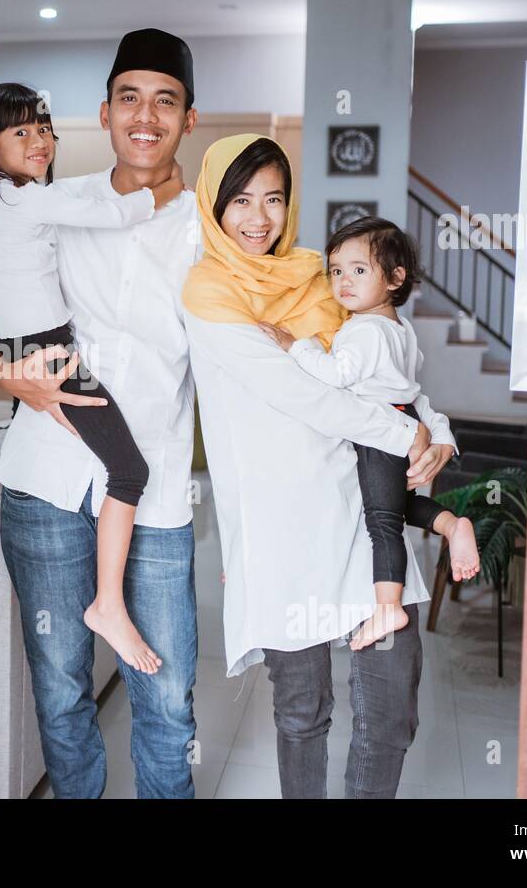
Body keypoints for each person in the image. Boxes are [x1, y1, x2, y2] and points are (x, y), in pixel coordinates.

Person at [0, 28, 201, 798]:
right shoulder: (54, 202)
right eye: (129, 97)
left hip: (153, 484)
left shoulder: (212, 226)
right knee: (61, 689)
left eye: (165, 101)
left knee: (166, 694)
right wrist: (8, 373)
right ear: (104, 113)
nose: (145, 116)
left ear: (188, 120)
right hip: (46, 475)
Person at [182, 133, 455, 798]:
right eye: (241, 200)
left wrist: (438, 432)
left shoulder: (320, 274)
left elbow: (386, 367)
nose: (259, 217)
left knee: (390, 711)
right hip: (283, 532)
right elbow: (304, 395)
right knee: (303, 712)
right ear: (213, 205)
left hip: (365, 514)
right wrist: (408, 434)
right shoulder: (208, 294)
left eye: (274, 198)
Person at [258, 216, 480, 651]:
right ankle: (451, 525)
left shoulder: (362, 331)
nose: (343, 281)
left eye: (359, 270)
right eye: (337, 270)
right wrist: (441, 435)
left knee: (382, 522)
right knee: (398, 506)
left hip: (382, 434)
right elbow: (415, 394)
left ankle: (388, 605)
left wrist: (293, 345)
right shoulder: (401, 330)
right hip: (402, 418)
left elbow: (336, 377)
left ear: (396, 278)